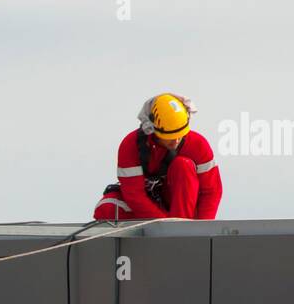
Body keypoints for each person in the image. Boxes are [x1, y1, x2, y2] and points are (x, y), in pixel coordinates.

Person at [93, 92, 222, 220]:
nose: (176, 141)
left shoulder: (198, 145)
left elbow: (211, 192)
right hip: (147, 210)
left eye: (180, 135)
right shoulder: (131, 146)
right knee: (108, 208)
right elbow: (134, 195)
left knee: (183, 166)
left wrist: (202, 229)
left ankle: (183, 229)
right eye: (170, 137)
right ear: (152, 129)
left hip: (181, 208)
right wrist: (164, 226)